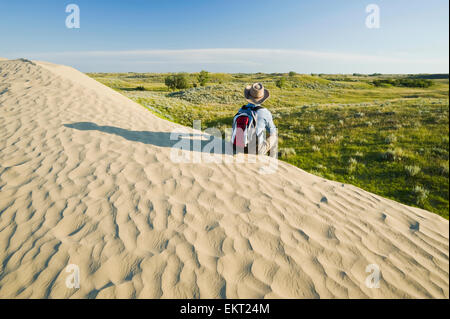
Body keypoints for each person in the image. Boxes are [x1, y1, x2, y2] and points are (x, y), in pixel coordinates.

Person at [232, 83, 277, 156]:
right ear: (262, 98)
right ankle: (272, 161)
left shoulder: (241, 110)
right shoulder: (264, 112)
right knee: (274, 136)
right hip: (255, 150)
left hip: (237, 147)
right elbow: (272, 130)